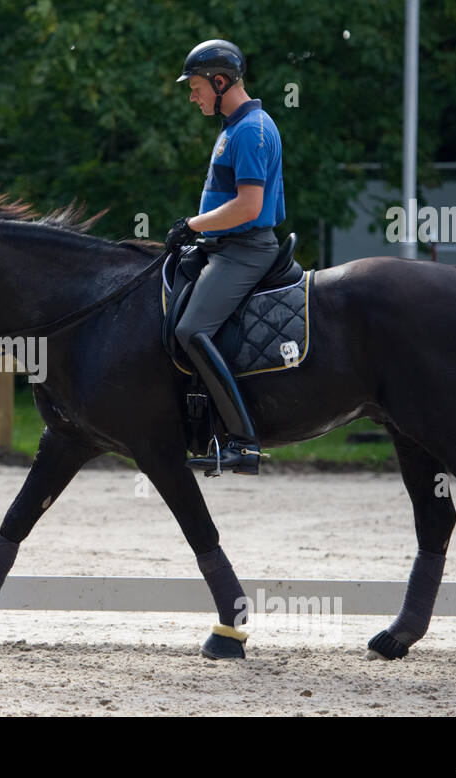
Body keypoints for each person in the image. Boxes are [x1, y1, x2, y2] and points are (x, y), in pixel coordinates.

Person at [165, 39, 286, 475]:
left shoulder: (251, 131)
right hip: (224, 247)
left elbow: (249, 207)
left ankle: (243, 440)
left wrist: (191, 225)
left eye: (196, 86)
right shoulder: (234, 128)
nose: (192, 95)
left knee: (192, 329)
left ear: (220, 82)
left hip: (245, 251)